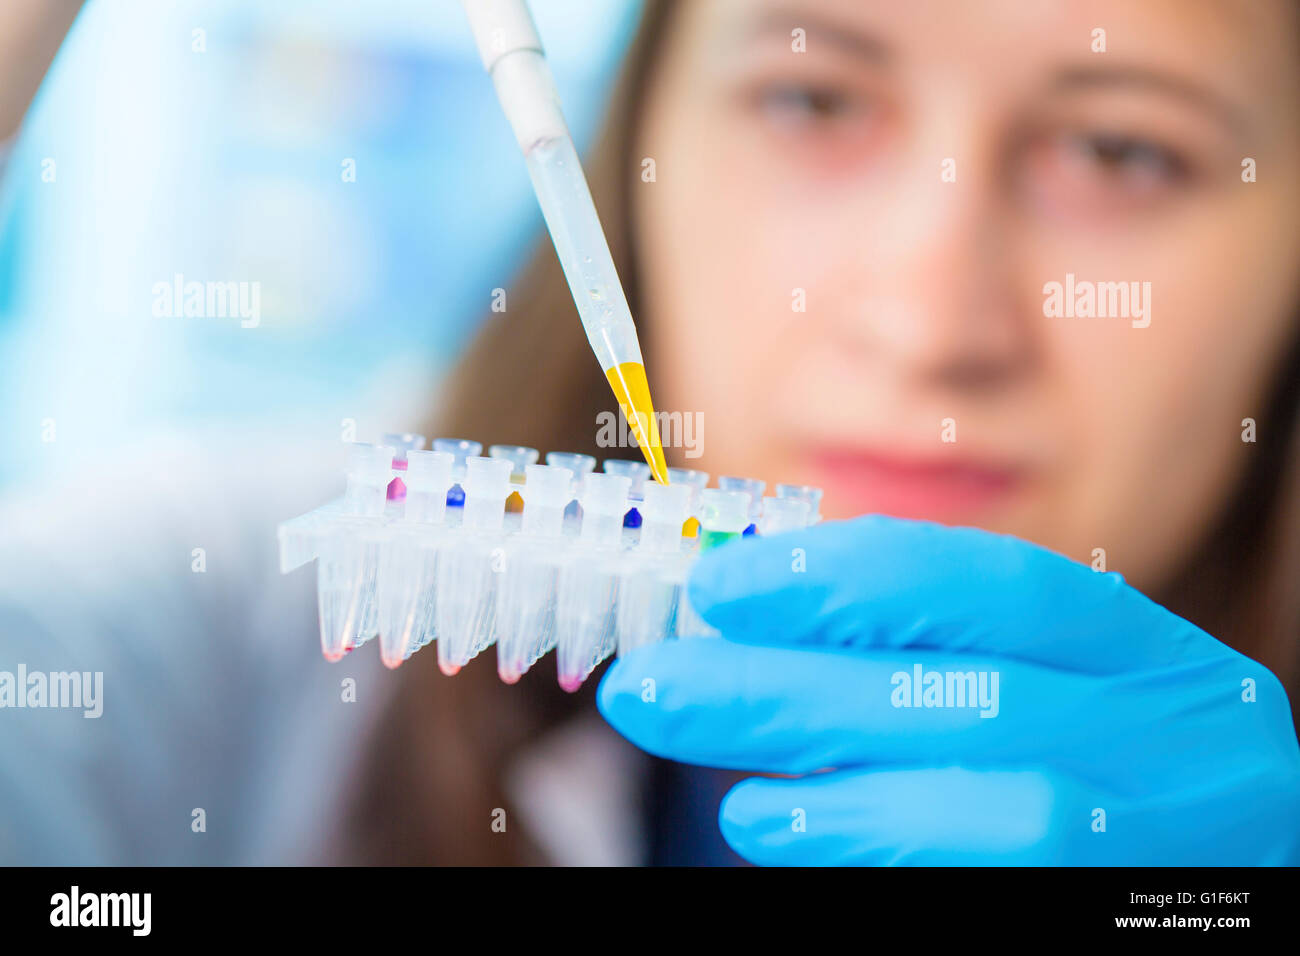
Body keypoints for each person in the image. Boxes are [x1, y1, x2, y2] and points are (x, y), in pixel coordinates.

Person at [2, 0, 1298, 866]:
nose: (928, 319)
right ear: (637, 147)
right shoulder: (243, 628)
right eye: (815, 102)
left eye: (1126, 151)